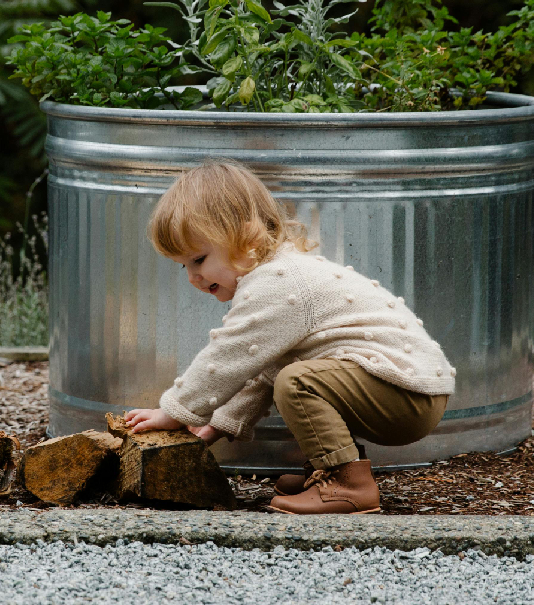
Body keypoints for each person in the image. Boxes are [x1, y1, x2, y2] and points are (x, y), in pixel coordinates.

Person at [122, 159, 454, 515]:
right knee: (294, 374)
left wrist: (175, 410)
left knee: (297, 383)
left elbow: (227, 356)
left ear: (245, 234)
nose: (193, 276)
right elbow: (259, 370)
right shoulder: (277, 276)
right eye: (184, 265)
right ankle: (329, 471)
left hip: (405, 394)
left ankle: (349, 483)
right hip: (405, 391)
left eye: (199, 259)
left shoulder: (277, 282)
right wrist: (215, 425)